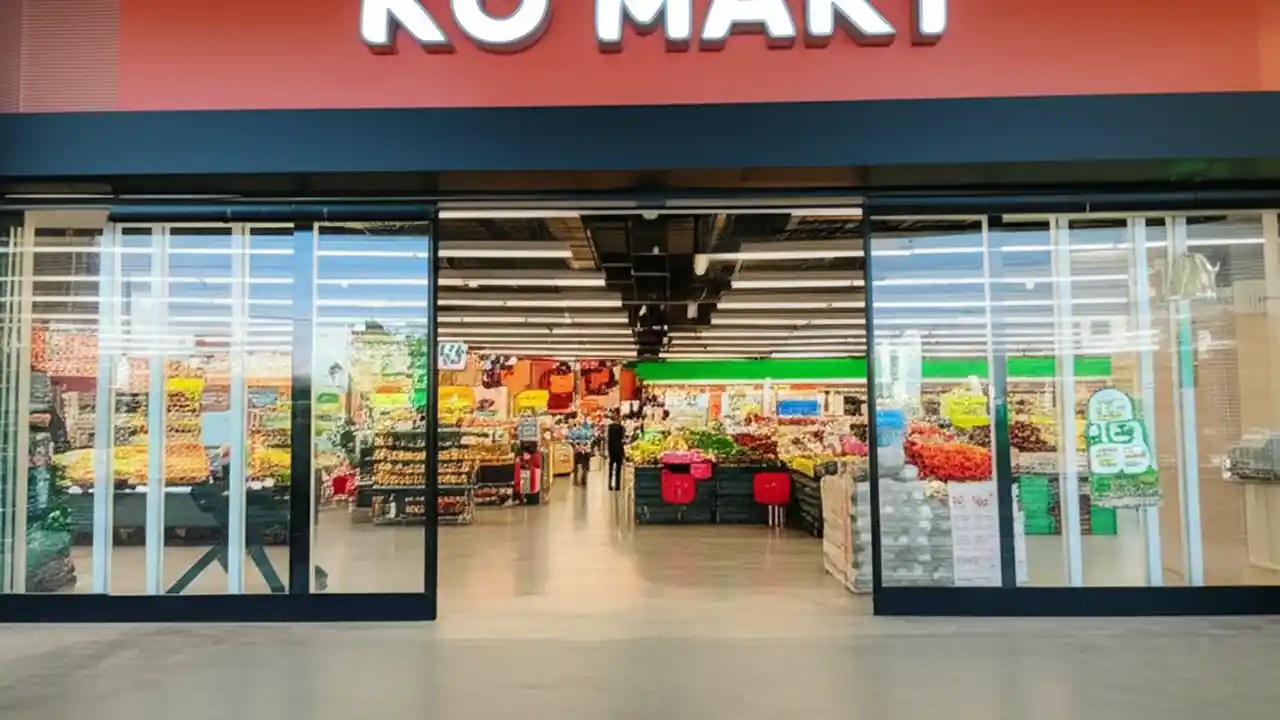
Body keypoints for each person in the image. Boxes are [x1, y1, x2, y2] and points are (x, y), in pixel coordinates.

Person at [567, 415, 594, 486]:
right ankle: (584, 478)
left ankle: (575, 480)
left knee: (576, 464)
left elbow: (569, 439)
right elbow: (591, 437)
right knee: (585, 463)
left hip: (577, 449)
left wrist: (574, 443)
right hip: (586, 449)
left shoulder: (573, 431)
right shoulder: (587, 430)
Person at [606, 410, 625, 491]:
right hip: (619, 450)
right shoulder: (621, 427)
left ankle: (610, 485)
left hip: (612, 450)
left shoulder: (610, 427)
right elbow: (622, 438)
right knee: (618, 469)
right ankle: (617, 486)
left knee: (610, 469)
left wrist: (608, 451)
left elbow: (609, 439)